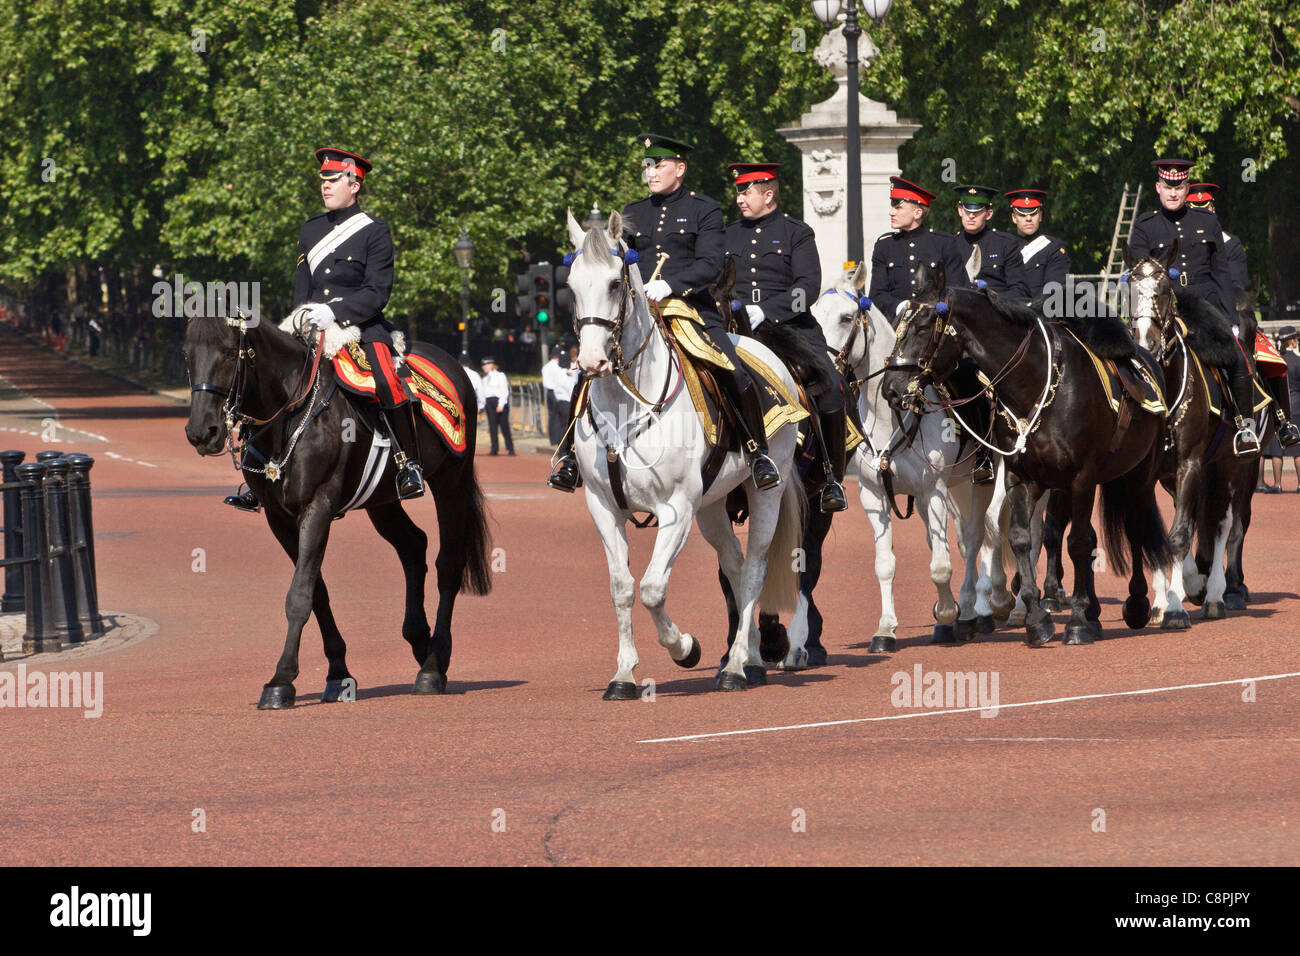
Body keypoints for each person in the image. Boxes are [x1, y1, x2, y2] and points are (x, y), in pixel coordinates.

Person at [548, 133, 779, 492]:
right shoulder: (632, 213)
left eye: (659, 165)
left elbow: (711, 263)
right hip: (640, 313)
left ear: (680, 168)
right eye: (647, 165)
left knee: (732, 368)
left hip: (691, 310)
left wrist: (673, 284)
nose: (651, 172)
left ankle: (757, 450)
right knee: (590, 369)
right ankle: (570, 456)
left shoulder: (704, 210)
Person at [225, 146, 422, 512]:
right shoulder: (311, 228)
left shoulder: (374, 230)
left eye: (334, 180)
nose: (326, 187)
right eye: (324, 181)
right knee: (265, 374)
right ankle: (258, 472)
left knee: (385, 378)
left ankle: (407, 462)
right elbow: (303, 289)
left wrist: (336, 313)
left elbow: (378, 292)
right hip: (309, 324)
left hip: (358, 326)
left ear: (355, 184)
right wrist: (301, 317)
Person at [724, 161, 847, 512]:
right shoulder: (727, 234)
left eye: (746, 192)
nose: (740, 199)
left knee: (831, 386)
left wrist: (768, 310)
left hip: (788, 329)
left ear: (768, 193)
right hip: (737, 329)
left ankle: (829, 476)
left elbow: (807, 287)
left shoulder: (797, 232)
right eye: (738, 191)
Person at [1128, 158, 1259, 457]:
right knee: (1133, 360)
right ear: (1158, 188)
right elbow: (1138, 275)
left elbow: (1222, 274)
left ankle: (1245, 428)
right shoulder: (1145, 226)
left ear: (1187, 188)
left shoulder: (1207, 222)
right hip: (1164, 307)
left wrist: (1230, 319)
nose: (1173, 193)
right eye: (1168, 187)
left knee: (1238, 358)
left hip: (1205, 308)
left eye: (1179, 186)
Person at [1186, 181, 1300, 449]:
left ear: (1213, 209)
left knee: (1269, 355)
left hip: (1225, 313)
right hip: (1188, 314)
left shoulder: (1230, 243)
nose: (1203, 214)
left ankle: (1283, 420)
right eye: (1195, 210)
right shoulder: (1178, 240)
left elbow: (1236, 285)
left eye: (1206, 209)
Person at [869, 176, 966, 324]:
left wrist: (936, 308)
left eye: (898, 207)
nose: (891, 213)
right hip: (896, 325)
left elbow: (958, 289)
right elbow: (877, 295)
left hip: (937, 325)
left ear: (918, 213)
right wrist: (901, 306)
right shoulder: (884, 247)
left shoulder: (944, 243)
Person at [1003, 187, 1071, 313]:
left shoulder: (1053, 248)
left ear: (1040, 216)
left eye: (1033, 213)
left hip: (1041, 317)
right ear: (1014, 218)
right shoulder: (1004, 247)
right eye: (1022, 214)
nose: (1028, 219)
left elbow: (1054, 291)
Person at [1261, 327, 1300, 490]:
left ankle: (1277, 484)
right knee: (1298, 449)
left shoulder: (1277, 360)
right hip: (1297, 405)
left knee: (1277, 449)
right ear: (1293, 341)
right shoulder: (1298, 361)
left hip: (1279, 406)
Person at [480, 356, 514, 455]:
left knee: (504, 426)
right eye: (483, 365)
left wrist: (501, 404)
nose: (484, 367)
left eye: (485, 365)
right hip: (489, 402)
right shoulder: (485, 379)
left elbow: (504, 390)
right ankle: (494, 448)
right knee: (492, 427)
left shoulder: (500, 375)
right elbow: (483, 393)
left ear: (491, 365)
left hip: (499, 401)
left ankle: (510, 448)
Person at [541, 346, 569, 445]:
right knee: (559, 417)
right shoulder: (558, 367)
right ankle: (558, 439)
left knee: (552, 416)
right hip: (557, 393)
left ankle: (553, 438)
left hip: (550, 392)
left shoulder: (546, 366)